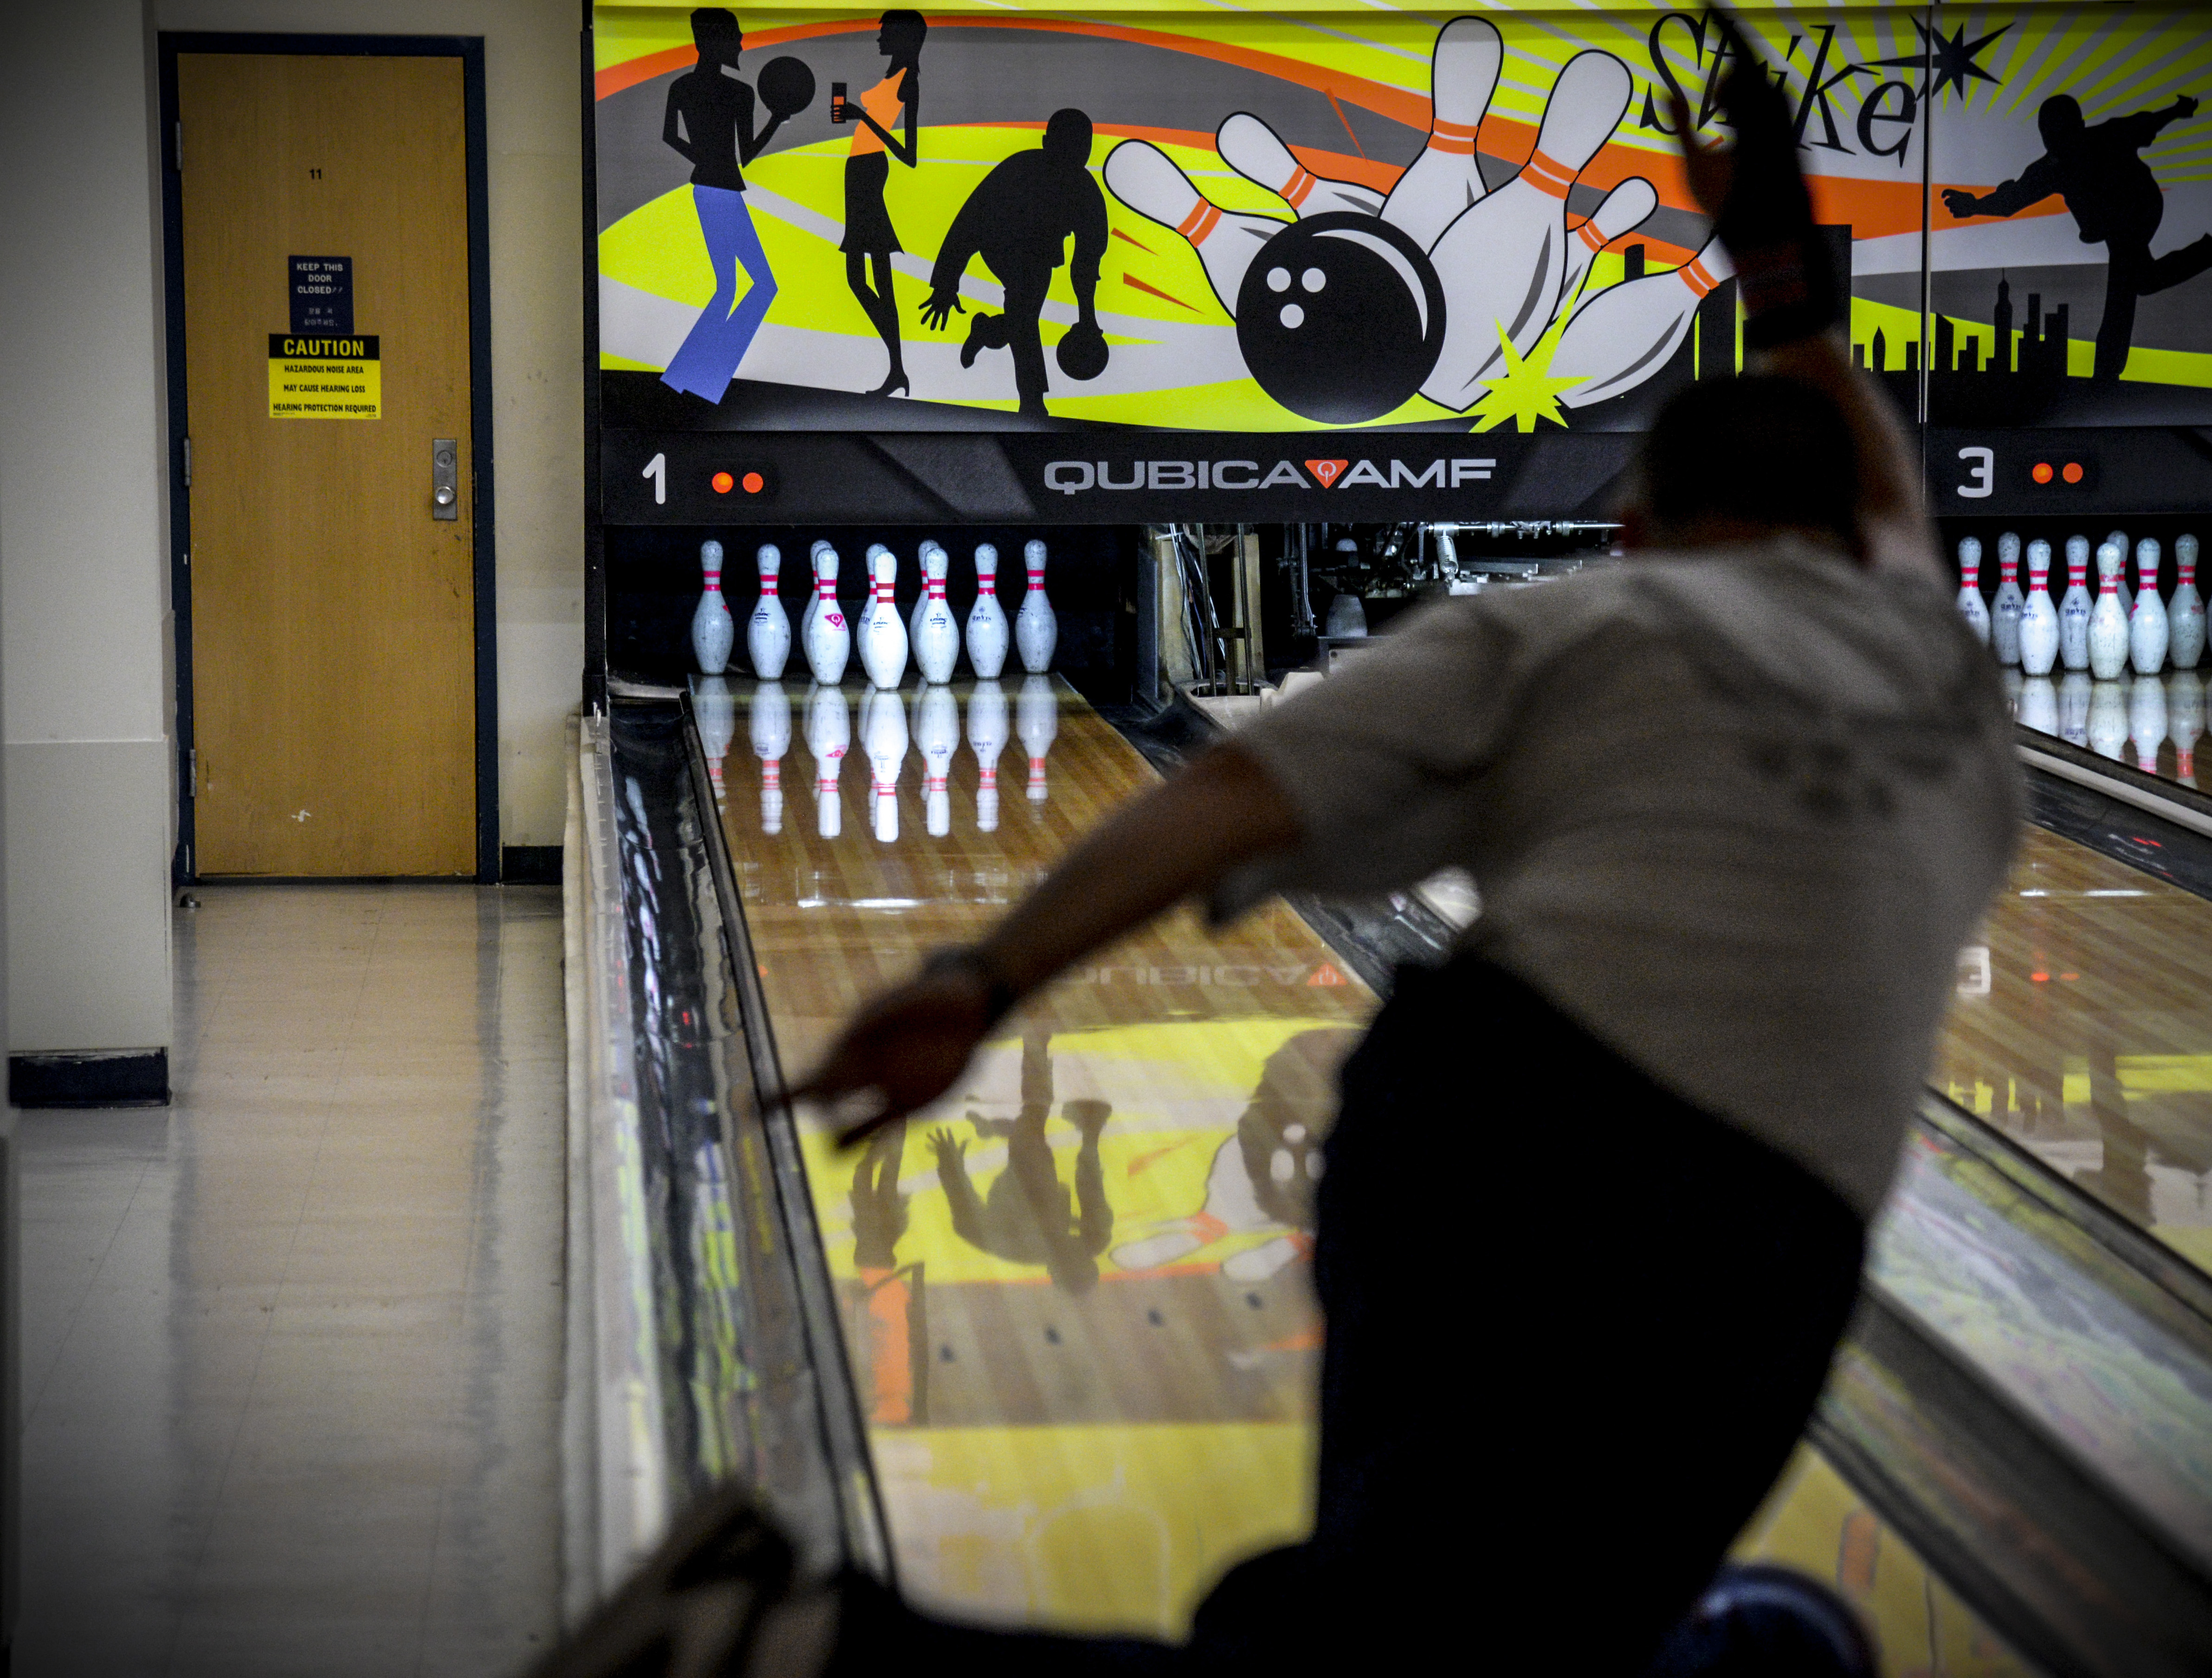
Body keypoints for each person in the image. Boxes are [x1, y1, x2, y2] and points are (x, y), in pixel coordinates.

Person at [538, 32, 2018, 1678]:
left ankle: (809, 1638)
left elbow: (1227, 793)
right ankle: (812, 1646)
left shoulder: (1570, 620)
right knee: (1432, 1652)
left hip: (1477, 1106)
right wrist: (1787, 288)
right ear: (1859, 541)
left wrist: (981, 974)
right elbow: (1874, 488)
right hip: (1727, 1211)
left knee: (1400, 1631)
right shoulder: (1932, 654)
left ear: (1631, 524)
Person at [1944, 91, 2209, 381]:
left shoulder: (2107, 138)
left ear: (2078, 127)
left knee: (2125, 283)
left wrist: (2176, 110)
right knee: (2143, 281)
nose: (2057, 143)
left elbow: (2146, 123)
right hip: (2111, 224)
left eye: (2062, 133)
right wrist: (1974, 206)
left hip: (2138, 209)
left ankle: (2107, 369)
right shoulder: (2052, 168)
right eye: (2050, 136)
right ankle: (2108, 368)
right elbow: (2012, 200)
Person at [920, 108, 1108, 420]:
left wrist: (1087, 318)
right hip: (997, 243)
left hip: (1040, 253)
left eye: (1081, 149)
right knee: (1025, 316)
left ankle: (988, 330)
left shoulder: (1086, 194)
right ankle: (1033, 403)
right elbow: (967, 225)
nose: (1073, 157)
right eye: (1066, 147)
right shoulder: (1017, 171)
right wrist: (945, 284)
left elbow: (1086, 264)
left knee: (1022, 317)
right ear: (1048, 143)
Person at [660, 8, 791, 404]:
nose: (740, 44)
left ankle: (689, 377)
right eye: (734, 37)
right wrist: (776, 119)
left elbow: (670, 136)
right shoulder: (738, 93)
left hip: (709, 187)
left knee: (733, 286)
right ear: (712, 42)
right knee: (755, 286)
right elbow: (747, 154)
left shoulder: (681, 87)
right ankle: (699, 378)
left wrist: (699, 157)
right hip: (722, 191)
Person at [837, 10, 926, 398]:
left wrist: (863, 118)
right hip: (858, 173)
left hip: (870, 172)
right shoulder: (893, 75)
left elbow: (909, 154)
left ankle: (897, 369)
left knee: (875, 279)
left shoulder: (909, 81)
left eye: (885, 33)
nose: (879, 39)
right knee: (860, 279)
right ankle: (897, 368)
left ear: (903, 38)